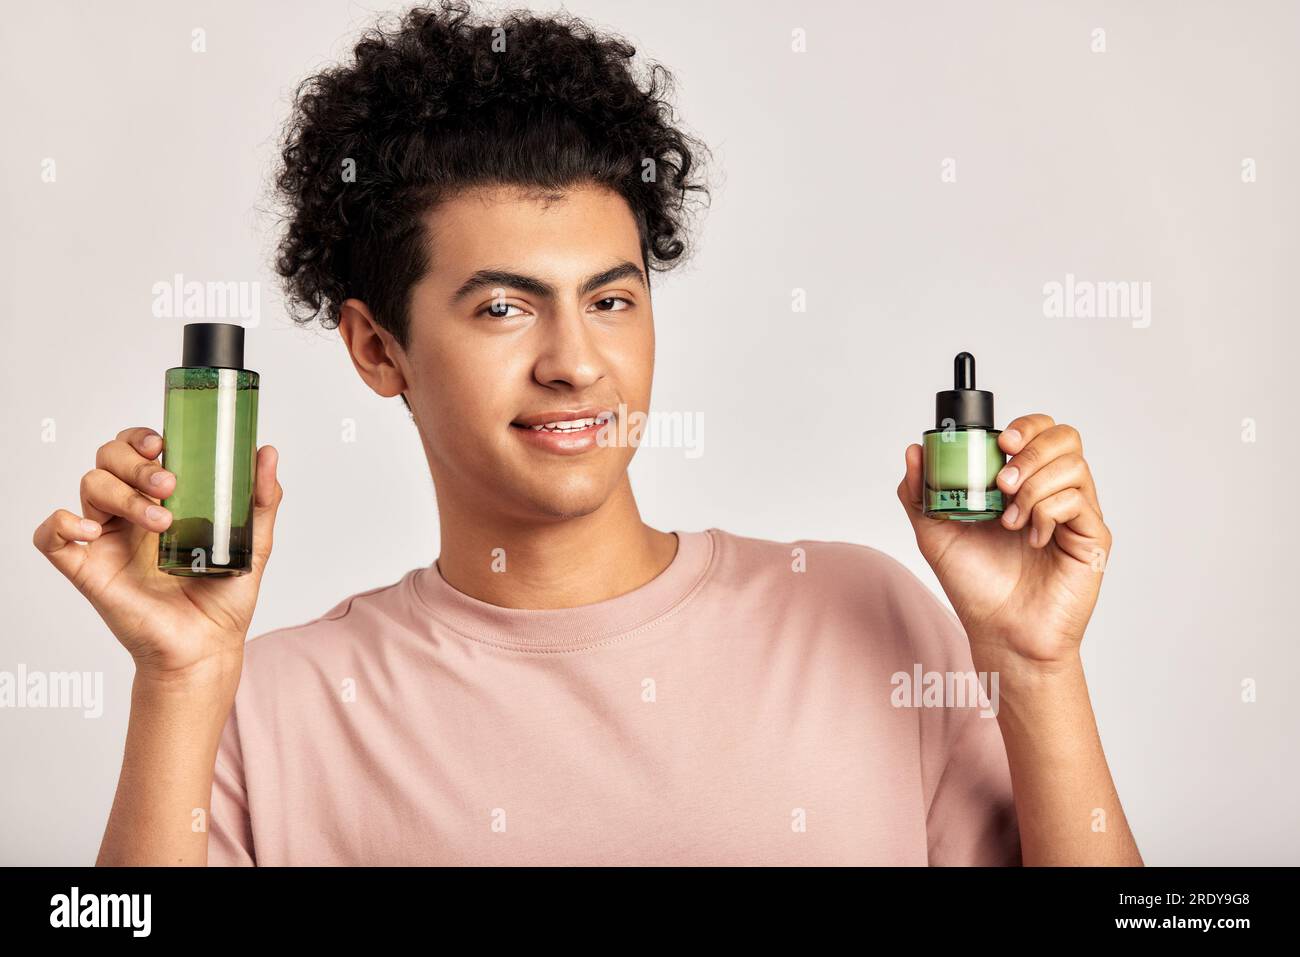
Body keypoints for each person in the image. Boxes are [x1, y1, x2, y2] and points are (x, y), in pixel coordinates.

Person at [33, 0, 1140, 866]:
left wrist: (1032, 665)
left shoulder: (863, 615)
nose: (575, 360)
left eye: (611, 299)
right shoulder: (261, 708)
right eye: (503, 308)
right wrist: (178, 685)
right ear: (378, 350)